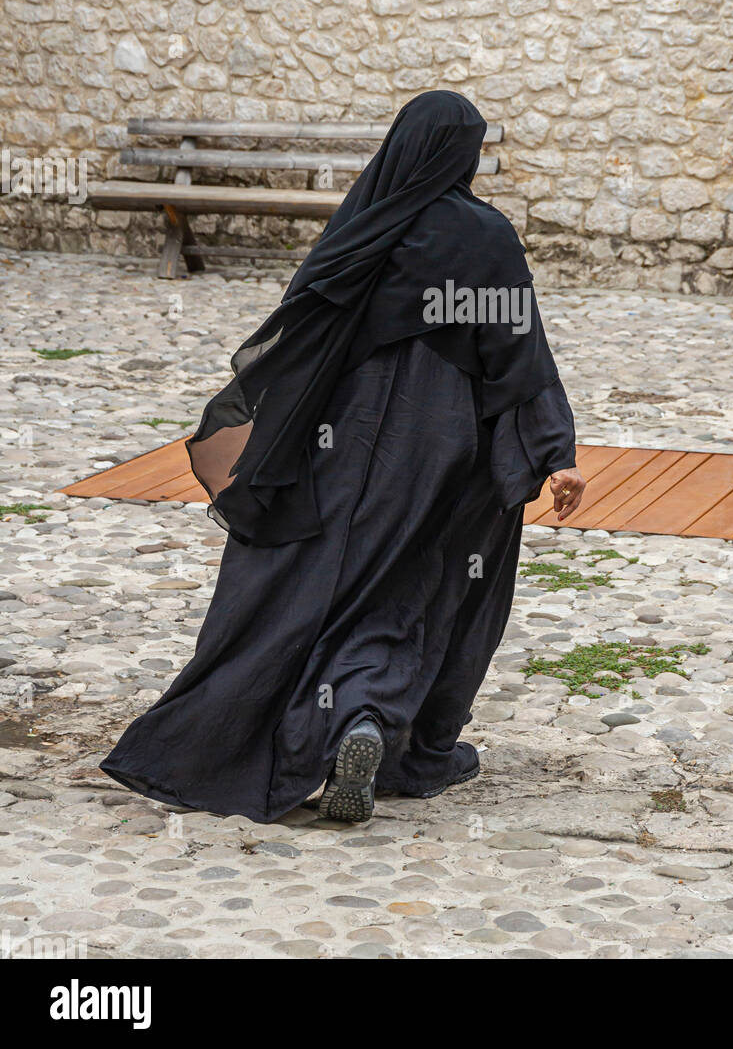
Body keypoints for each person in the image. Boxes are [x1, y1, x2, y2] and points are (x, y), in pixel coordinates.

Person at [101, 90, 585, 824]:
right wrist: (554, 452)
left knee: (313, 581)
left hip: (340, 436)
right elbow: (516, 352)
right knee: (416, 582)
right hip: (441, 444)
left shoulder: (363, 226)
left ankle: (278, 730)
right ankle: (377, 726)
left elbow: (301, 338)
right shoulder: (485, 237)